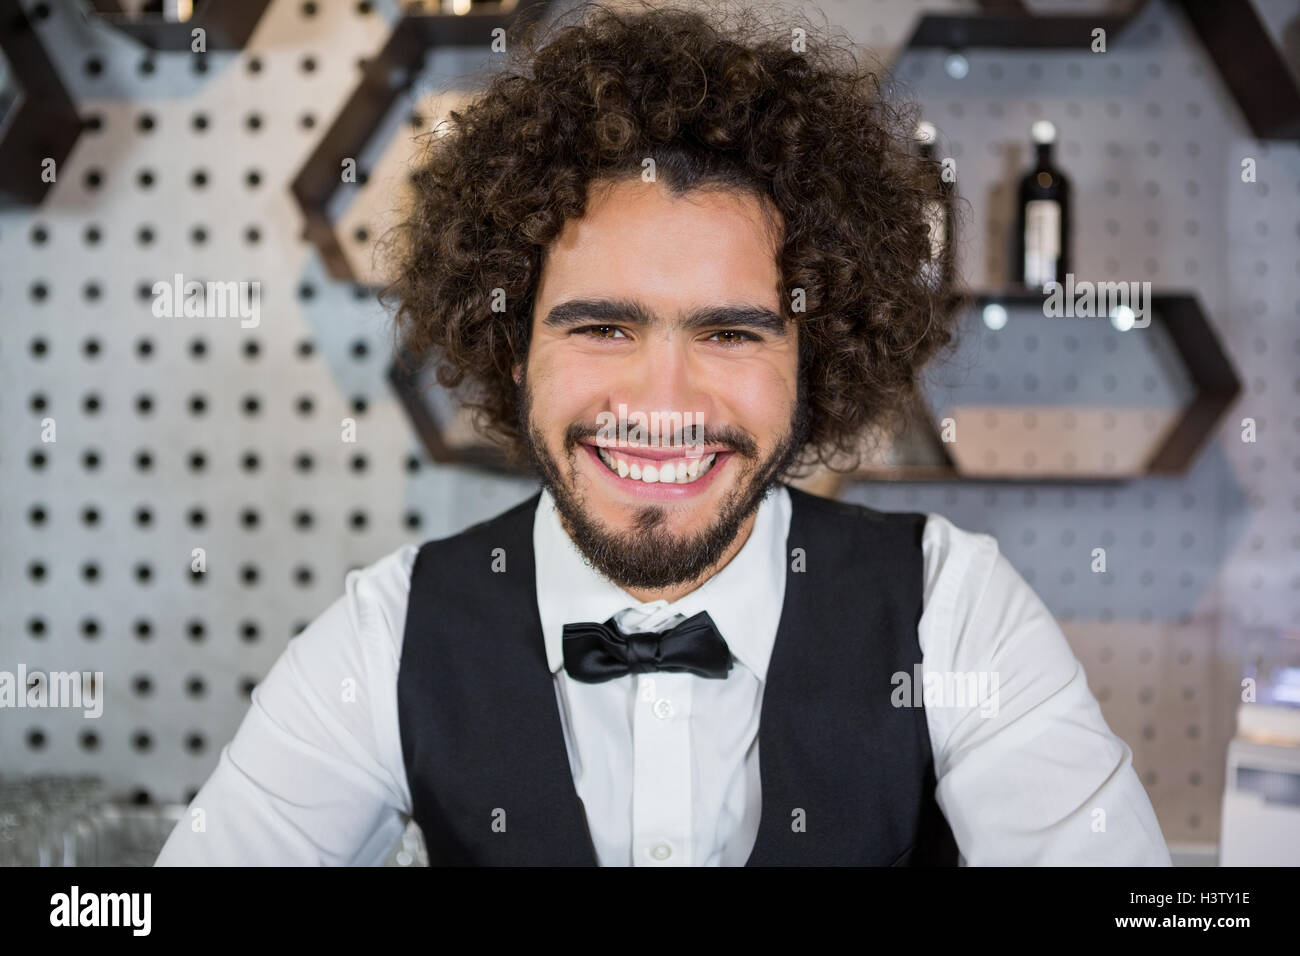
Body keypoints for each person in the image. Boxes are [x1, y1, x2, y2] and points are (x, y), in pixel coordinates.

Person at [156, 1, 1171, 866]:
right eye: (602, 327)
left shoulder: (951, 609)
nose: (663, 396)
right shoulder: (387, 632)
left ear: (808, 361)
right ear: (515, 350)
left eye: (730, 331)